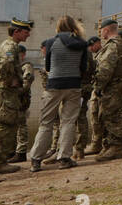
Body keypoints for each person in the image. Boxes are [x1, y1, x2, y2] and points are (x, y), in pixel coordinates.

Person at [28, 15, 88, 171]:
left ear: (58, 27)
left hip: (54, 85)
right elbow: (84, 67)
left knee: (46, 122)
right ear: (74, 26)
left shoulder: (51, 42)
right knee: (68, 122)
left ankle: (36, 159)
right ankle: (64, 158)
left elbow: (48, 66)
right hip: (74, 85)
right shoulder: (82, 44)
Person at [0, 18, 32, 176]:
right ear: (17, 31)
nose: (28, 36)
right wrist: (11, 81)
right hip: (6, 92)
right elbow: (6, 64)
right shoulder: (10, 46)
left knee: (8, 126)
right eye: (26, 32)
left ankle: (1, 161)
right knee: (4, 126)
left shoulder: (11, 46)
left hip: (6, 92)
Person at [92, 17, 122, 162]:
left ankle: (115, 147)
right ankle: (118, 144)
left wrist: (98, 86)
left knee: (111, 116)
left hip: (113, 87)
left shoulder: (112, 46)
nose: (101, 35)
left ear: (106, 30)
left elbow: (105, 70)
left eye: (101, 31)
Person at [10, 45, 36, 163]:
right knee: (13, 125)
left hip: (21, 99)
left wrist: (16, 91)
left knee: (21, 125)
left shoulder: (26, 66)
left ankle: (21, 152)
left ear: (23, 54)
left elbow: (27, 83)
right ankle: (12, 150)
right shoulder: (14, 66)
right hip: (13, 98)